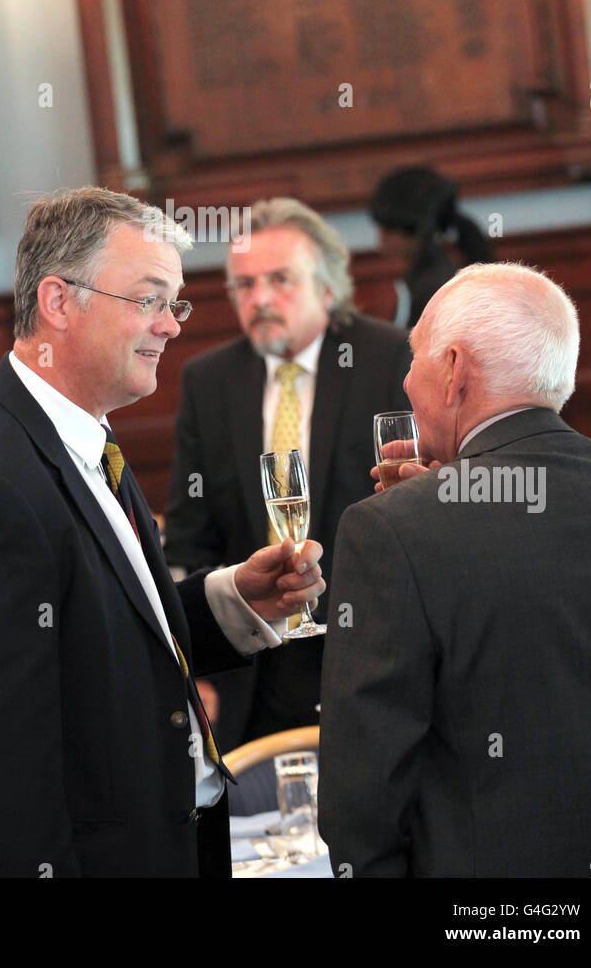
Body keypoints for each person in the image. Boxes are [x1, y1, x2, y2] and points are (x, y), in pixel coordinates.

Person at [0, 187, 324, 878]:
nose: (171, 325)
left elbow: (99, 635)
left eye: (176, 303)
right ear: (58, 302)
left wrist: (230, 601)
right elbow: (1, 780)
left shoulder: (81, 435)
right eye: (149, 299)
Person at [318, 262, 591, 878]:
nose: (405, 380)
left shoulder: (390, 530)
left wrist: (429, 512)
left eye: (414, 359)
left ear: (454, 370)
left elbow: (365, 795)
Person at [164, 197, 411, 750]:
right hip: (254, 666)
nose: (262, 299)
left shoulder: (390, 358)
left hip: (373, 651)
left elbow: (416, 508)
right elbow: (187, 533)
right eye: (245, 285)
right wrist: (197, 664)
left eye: (280, 280)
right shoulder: (210, 380)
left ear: (327, 284)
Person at [368, 165, 494, 328]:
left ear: (418, 231)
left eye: (389, 230)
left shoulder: (433, 288)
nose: (380, 240)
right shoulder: (433, 274)